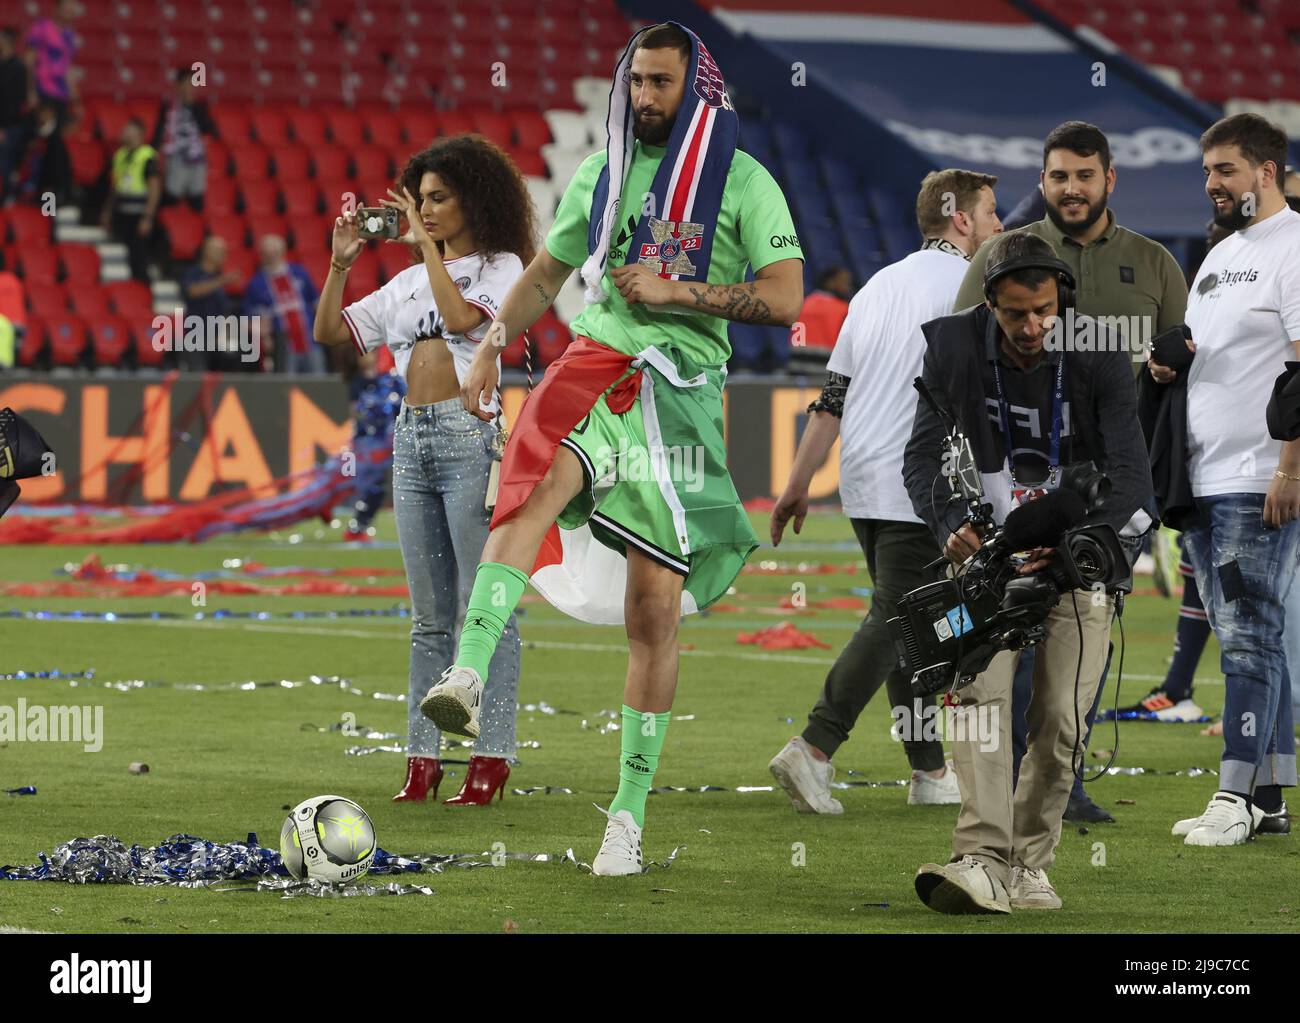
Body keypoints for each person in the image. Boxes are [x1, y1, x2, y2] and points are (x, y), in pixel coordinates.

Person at [419, 22, 804, 874]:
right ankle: (468, 673)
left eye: (661, 83)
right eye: (636, 83)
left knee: (652, 611)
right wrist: (487, 345)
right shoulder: (600, 173)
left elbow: (785, 300)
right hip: (595, 359)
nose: (644, 99)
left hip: (682, 395)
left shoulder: (744, 183)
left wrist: (679, 290)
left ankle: (626, 816)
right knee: (530, 487)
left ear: (698, 90)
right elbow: (549, 276)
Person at [905, 230, 1153, 913]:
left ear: (1061, 299)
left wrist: (1080, 538)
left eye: (1044, 310)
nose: (1032, 326)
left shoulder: (1100, 351)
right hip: (987, 561)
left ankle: (1028, 865)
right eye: (1015, 312)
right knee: (979, 705)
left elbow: (1133, 472)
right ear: (989, 303)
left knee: (1061, 723)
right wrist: (947, 521)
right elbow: (921, 461)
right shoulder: (953, 346)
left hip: (1075, 559)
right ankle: (980, 857)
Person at [955, 121, 1187, 824]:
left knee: (1085, 631)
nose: (1072, 188)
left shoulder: (1155, 265)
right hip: (1022, 482)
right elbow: (960, 350)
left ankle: (1060, 780)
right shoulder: (1005, 254)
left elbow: (1181, 368)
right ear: (1044, 179)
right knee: (1009, 628)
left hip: (1115, 484)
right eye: (1058, 176)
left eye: (1085, 176)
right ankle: (999, 802)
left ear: (1109, 179)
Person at [767, 168, 1002, 815]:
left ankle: (928, 769)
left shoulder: (874, 288)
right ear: (961, 219)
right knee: (901, 618)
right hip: (922, 484)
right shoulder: (973, 287)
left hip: (864, 478)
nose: (999, 226)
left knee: (910, 626)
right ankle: (814, 748)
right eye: (991, 214)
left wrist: (796, 483)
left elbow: (832, 399)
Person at [312, 133, 533, 807]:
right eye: (420, 201)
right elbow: (330, 335)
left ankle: (491, 757)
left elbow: (467, 318)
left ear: (473, 199)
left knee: (484, 609)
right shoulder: (406, 282)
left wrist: (428, 249)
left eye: (439, 199)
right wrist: (340, 265)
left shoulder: (503, 266)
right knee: (429, 617)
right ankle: (421, 760)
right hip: (411, 445)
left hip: (472, 441)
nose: (427, 212)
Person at [1152, 113, 1300, 845]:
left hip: (1258, 476)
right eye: (1207, 171)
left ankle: (1232, 792)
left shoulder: (1295, 246)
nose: (1211, 183)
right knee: (1247, 634)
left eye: (1225, 170)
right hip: (1204, 477)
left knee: (1248, 636)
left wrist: (1289, 467)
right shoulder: (1220, 254)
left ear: (1266, 172)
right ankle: (1270, 795)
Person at [243, 235, 324, 373]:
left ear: (282, 252)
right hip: (283, 345)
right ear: (262, 255)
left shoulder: (299, 272)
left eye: (275, 252)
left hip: (309, 339)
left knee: (319, 384)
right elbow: (250, 318)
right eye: (267, 253)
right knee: (287, 387)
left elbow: (317, 302)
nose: (272, 256)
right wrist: (263, 337)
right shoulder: (256, 284)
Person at [101, 117, 160, 283]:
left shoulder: (147, 155)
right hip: (122, 213)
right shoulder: (120, 155)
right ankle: (134, 290)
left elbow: (154, 188)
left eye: (129, 130)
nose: (124, 133)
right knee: (130, 256)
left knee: (140, 256)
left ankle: (145, 291)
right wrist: (108, 211)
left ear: (139, 134)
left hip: (139, 214)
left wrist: (148, 217)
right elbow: (114, 186)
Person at [152, 67, 214, 212]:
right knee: (171, 195)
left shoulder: (200, 108)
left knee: (196, 197)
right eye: (185, 83)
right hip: (176, 158)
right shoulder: (169, 107)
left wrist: (193, 106)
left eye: (191, 84)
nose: (188, 88)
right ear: (178, 85)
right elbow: (159, 130)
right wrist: (155, 151)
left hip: (196, 159)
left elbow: (209, 130)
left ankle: (197, 229)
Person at [179, 235, 245, 371]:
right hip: (197, 337)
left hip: (218, 339)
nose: (223, 254)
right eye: (218, 250)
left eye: (224, 251)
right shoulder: (193, 273)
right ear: (206, 251)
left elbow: (225, 310)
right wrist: (222, 281)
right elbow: (193, 291)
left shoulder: (218, 277)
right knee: (198, 381)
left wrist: (227, 334)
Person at [786, 266, 851, 372]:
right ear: (830, 282)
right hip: (824, 370)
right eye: (843, 282)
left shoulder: (803, 303)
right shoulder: (843, 309)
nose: (847, 287)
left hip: (796, 366)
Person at [23, 0, 77, 127]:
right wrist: (30, 91)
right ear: (57, 8)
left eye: (72, 9)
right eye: (66, 8)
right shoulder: (42, 28)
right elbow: (29, 60)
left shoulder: (69, 34)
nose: (69, 12)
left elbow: (67, 66)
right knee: (43, 134)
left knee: (58, 138)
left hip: (61, 93)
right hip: (43, 90)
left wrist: (74, 93)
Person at [9, 100, 69, 206]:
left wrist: (52, 185)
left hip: (49, 187)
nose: (41, 116)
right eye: (39, 112)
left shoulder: (56, 139)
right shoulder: (31, 135)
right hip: (29, 184)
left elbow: (58, 167)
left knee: (47, 215)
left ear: (51, 114)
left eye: (44, 112)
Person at [0, 27, 29, 201]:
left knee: (5, 166)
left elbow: (14, 102)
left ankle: (7, 199)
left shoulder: (18, 68)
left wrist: (3, 128)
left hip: (9, 128)